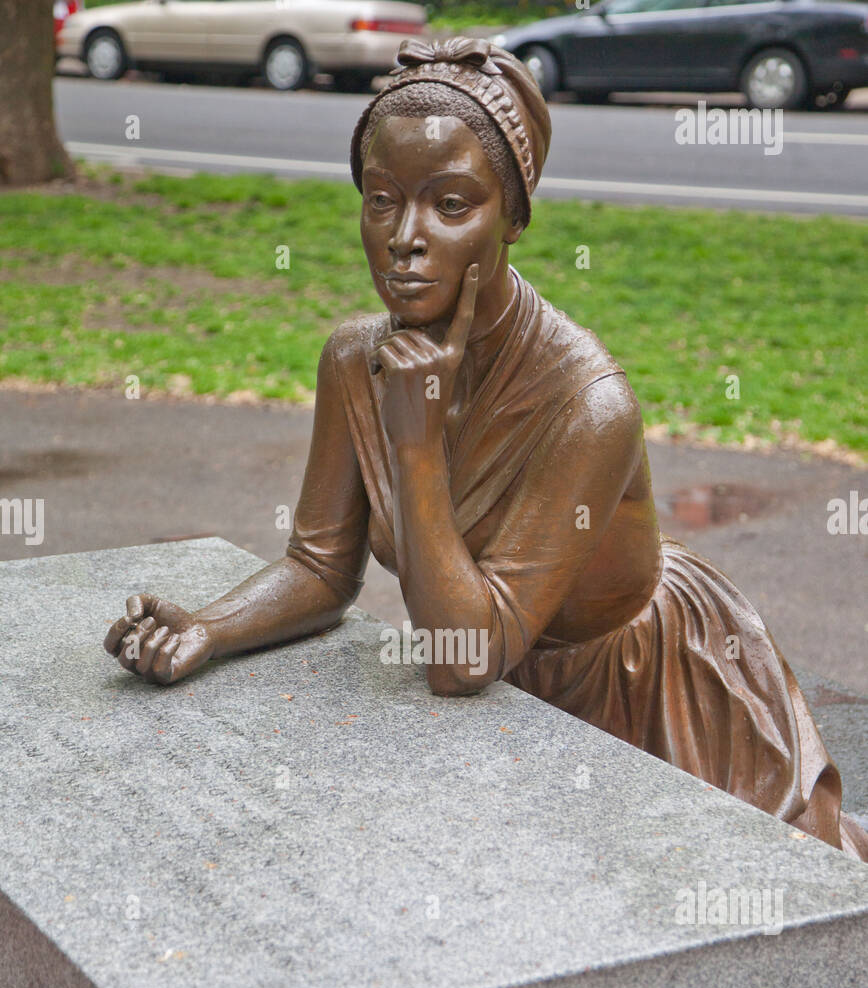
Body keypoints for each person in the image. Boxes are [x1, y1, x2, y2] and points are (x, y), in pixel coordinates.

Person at [104, 36, 867, 861]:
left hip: (636, 688)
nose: (406, 237)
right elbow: (324, 568)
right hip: (497, 675)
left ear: (513, 217)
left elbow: (464, 660)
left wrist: (417, 440)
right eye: (382, 199)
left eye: (453, 205)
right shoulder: (353, 359)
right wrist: (211, 629)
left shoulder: (590, 404)